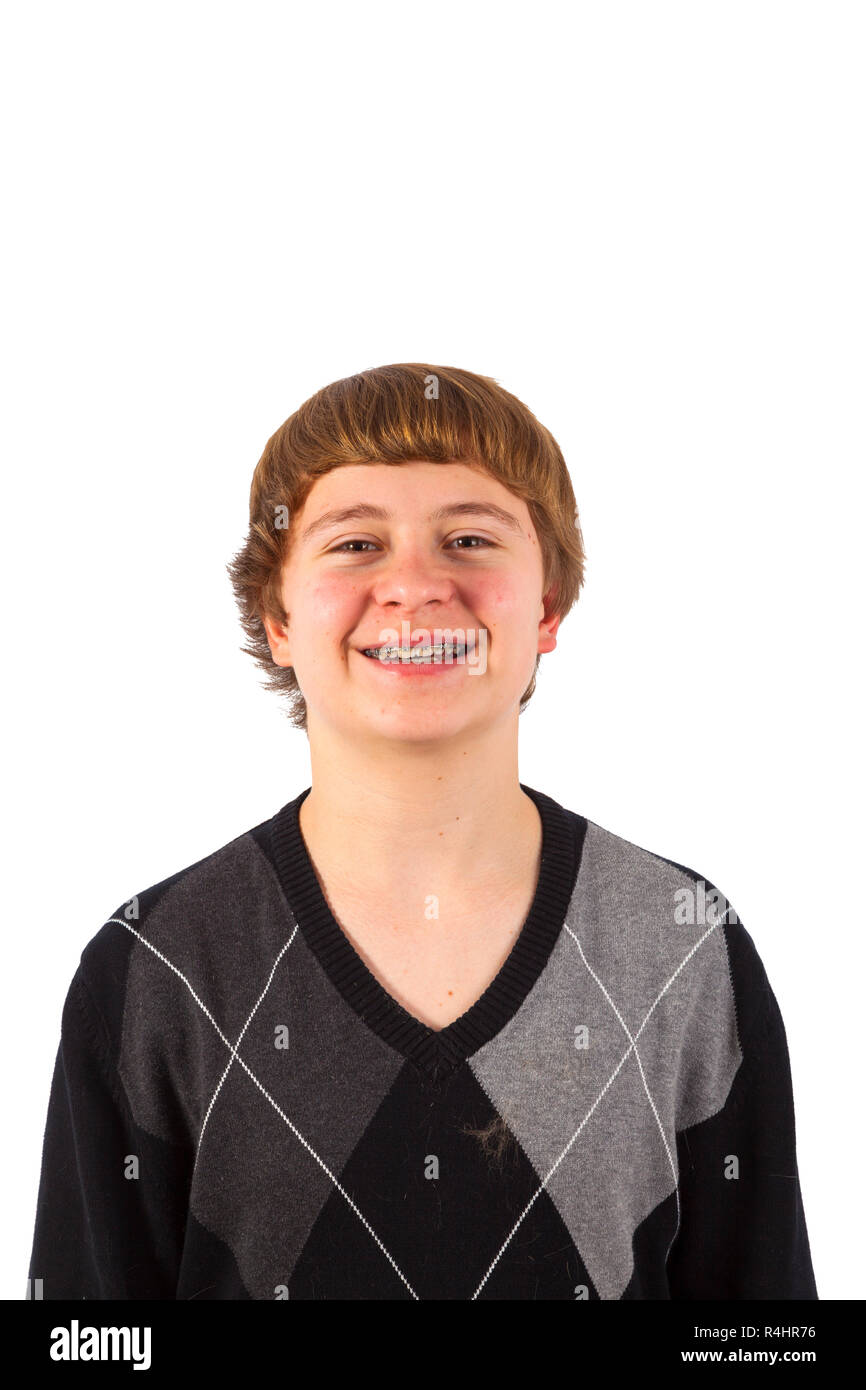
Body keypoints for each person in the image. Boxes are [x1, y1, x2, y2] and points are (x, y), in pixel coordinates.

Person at [27, 362, 818, 1299]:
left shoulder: (683, 943)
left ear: (547, 609)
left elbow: (763, 1337)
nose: (413, 585)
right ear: (278, 617)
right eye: (356, 543)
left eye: (470, 539)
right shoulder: (157, 966)